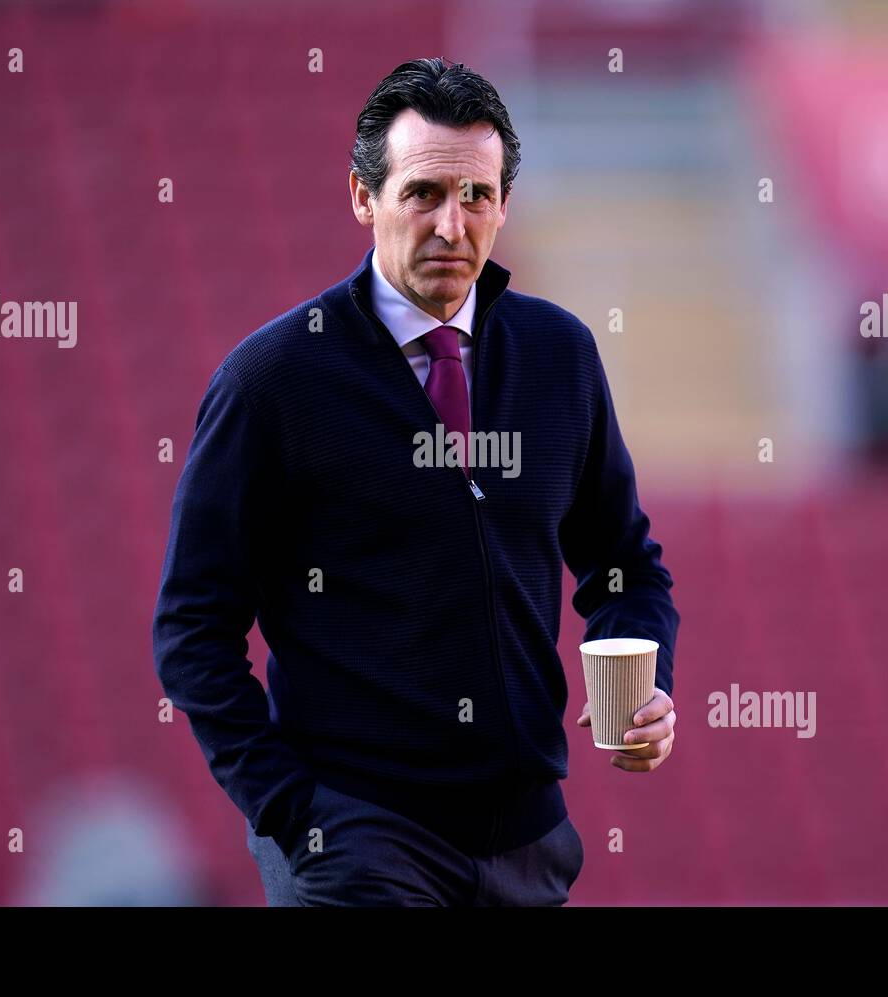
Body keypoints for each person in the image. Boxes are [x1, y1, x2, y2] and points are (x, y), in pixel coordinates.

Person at [152, 57, 680, 906]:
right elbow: (191, 627)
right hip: (360, 839)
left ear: (504, 205)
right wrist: (289, 811)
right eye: (423, 194)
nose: (452, 225)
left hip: (528, 840)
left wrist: (651, 684)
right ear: (364, 198)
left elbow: (624, 565)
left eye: (476, 197)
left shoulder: (561, 355)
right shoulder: (274, 379)